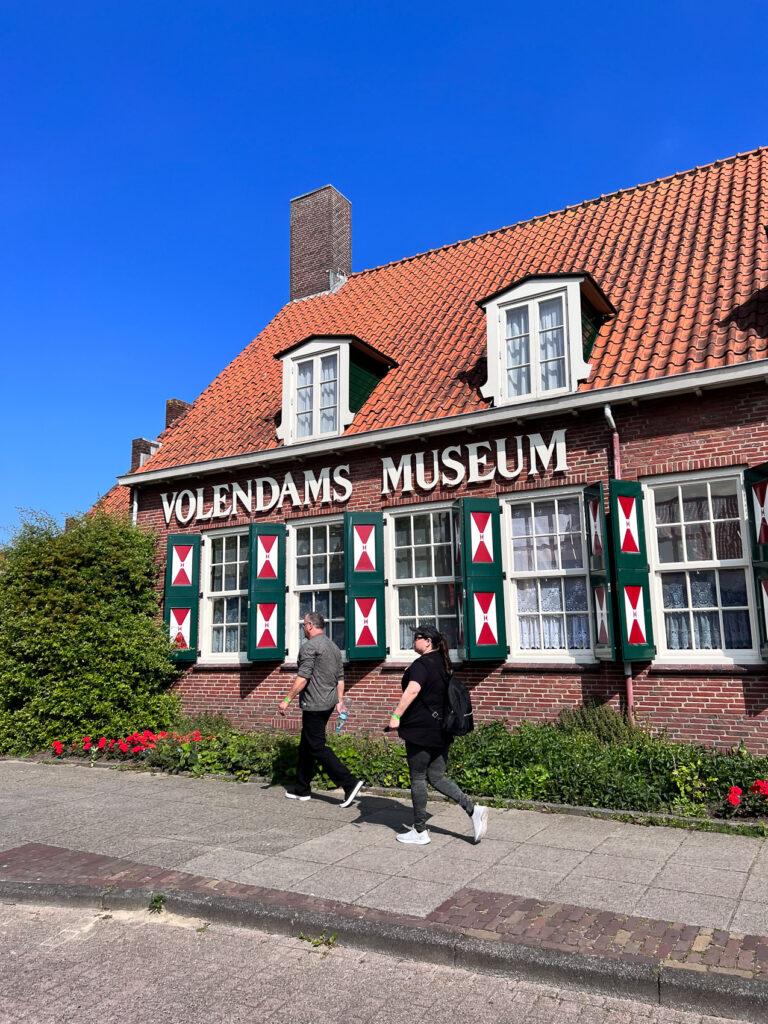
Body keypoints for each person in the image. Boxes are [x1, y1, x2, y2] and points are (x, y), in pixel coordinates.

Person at [388, 624, 488, 845]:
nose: (413, 640)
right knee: (437, 776)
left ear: (428, 642)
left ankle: (420, 831)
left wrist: (396, 715)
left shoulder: (421, 664)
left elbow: (413, 690)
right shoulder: (443, 664)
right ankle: (473, 809)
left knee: (418, 778)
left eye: (417, 637)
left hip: (420, 730)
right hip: (442, 729)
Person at [279, 611, 364, 808]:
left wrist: (287, 699)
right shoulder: (333, 647)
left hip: (314, 705)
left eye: (304, 625)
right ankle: (302, 789)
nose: (303, 628)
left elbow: (303, 677)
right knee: (306, 745)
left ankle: (350, 783)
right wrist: (339, 701)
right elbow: (340, 678)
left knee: (316, 746)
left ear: (309, 625)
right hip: (327, 703)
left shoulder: (310, 647)